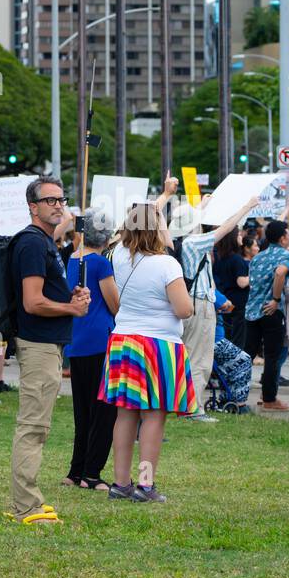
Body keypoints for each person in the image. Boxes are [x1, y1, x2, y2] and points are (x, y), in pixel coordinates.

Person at [7, 176, 90, 525]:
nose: (58, 205)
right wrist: (71, 309)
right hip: (38, 344)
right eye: (50, 200)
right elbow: (32, 302)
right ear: (33, 206)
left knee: (38, 426)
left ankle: (28, 501)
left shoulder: (45, 243)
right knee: (32, 426)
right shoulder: (32, 244)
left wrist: (69, 299)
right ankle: (26, 505)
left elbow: (45, 297)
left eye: (61, 199)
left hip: (47, 343)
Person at [103, 201, 196, 502]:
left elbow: (128, 228)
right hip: (158, 344)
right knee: (153, 416)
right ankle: (145, 484)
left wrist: (151, 208)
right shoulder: (167, 264)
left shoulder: (117, 256)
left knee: (125, 415)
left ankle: (120, 482)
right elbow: (184, 309)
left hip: (123, 340)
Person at [173, 185, 259, 421]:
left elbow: (190, 220)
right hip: (200, 306)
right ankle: (194, 409)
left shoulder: (180, 241)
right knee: (200, 359)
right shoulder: (195, 243)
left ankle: (185, 405)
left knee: (189, 356)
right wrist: (246, 207)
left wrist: (203, 204)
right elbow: (225, 229)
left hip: (189, 304)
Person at [63, 209, 120, 490]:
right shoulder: (100, 263)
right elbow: (114, 304)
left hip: (77, 340)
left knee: (82, 409)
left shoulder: (73, 258)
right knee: (103, 411)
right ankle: (91, 472)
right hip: (100, 339)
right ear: (107, 237)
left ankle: (76, 470)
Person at [243, 219, 289, 411]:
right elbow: (281, 273)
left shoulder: (258, 256)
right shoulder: (287, 256)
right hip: (271, 311)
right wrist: (275, 298)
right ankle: (269, 398)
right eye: (288, 233)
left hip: (252, 311)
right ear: (283, 238)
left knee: (246, 355)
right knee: (272, 356)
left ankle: (236, 392)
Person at [213, 227, 251, 350]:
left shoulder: (218, 257)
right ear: (232, 238)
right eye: (239, 234)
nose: (241, 237)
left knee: (226, 336)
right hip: (237, 305)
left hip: (223, 301)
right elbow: (241, 282)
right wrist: (254, 277)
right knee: (237, 339)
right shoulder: (237, 259)